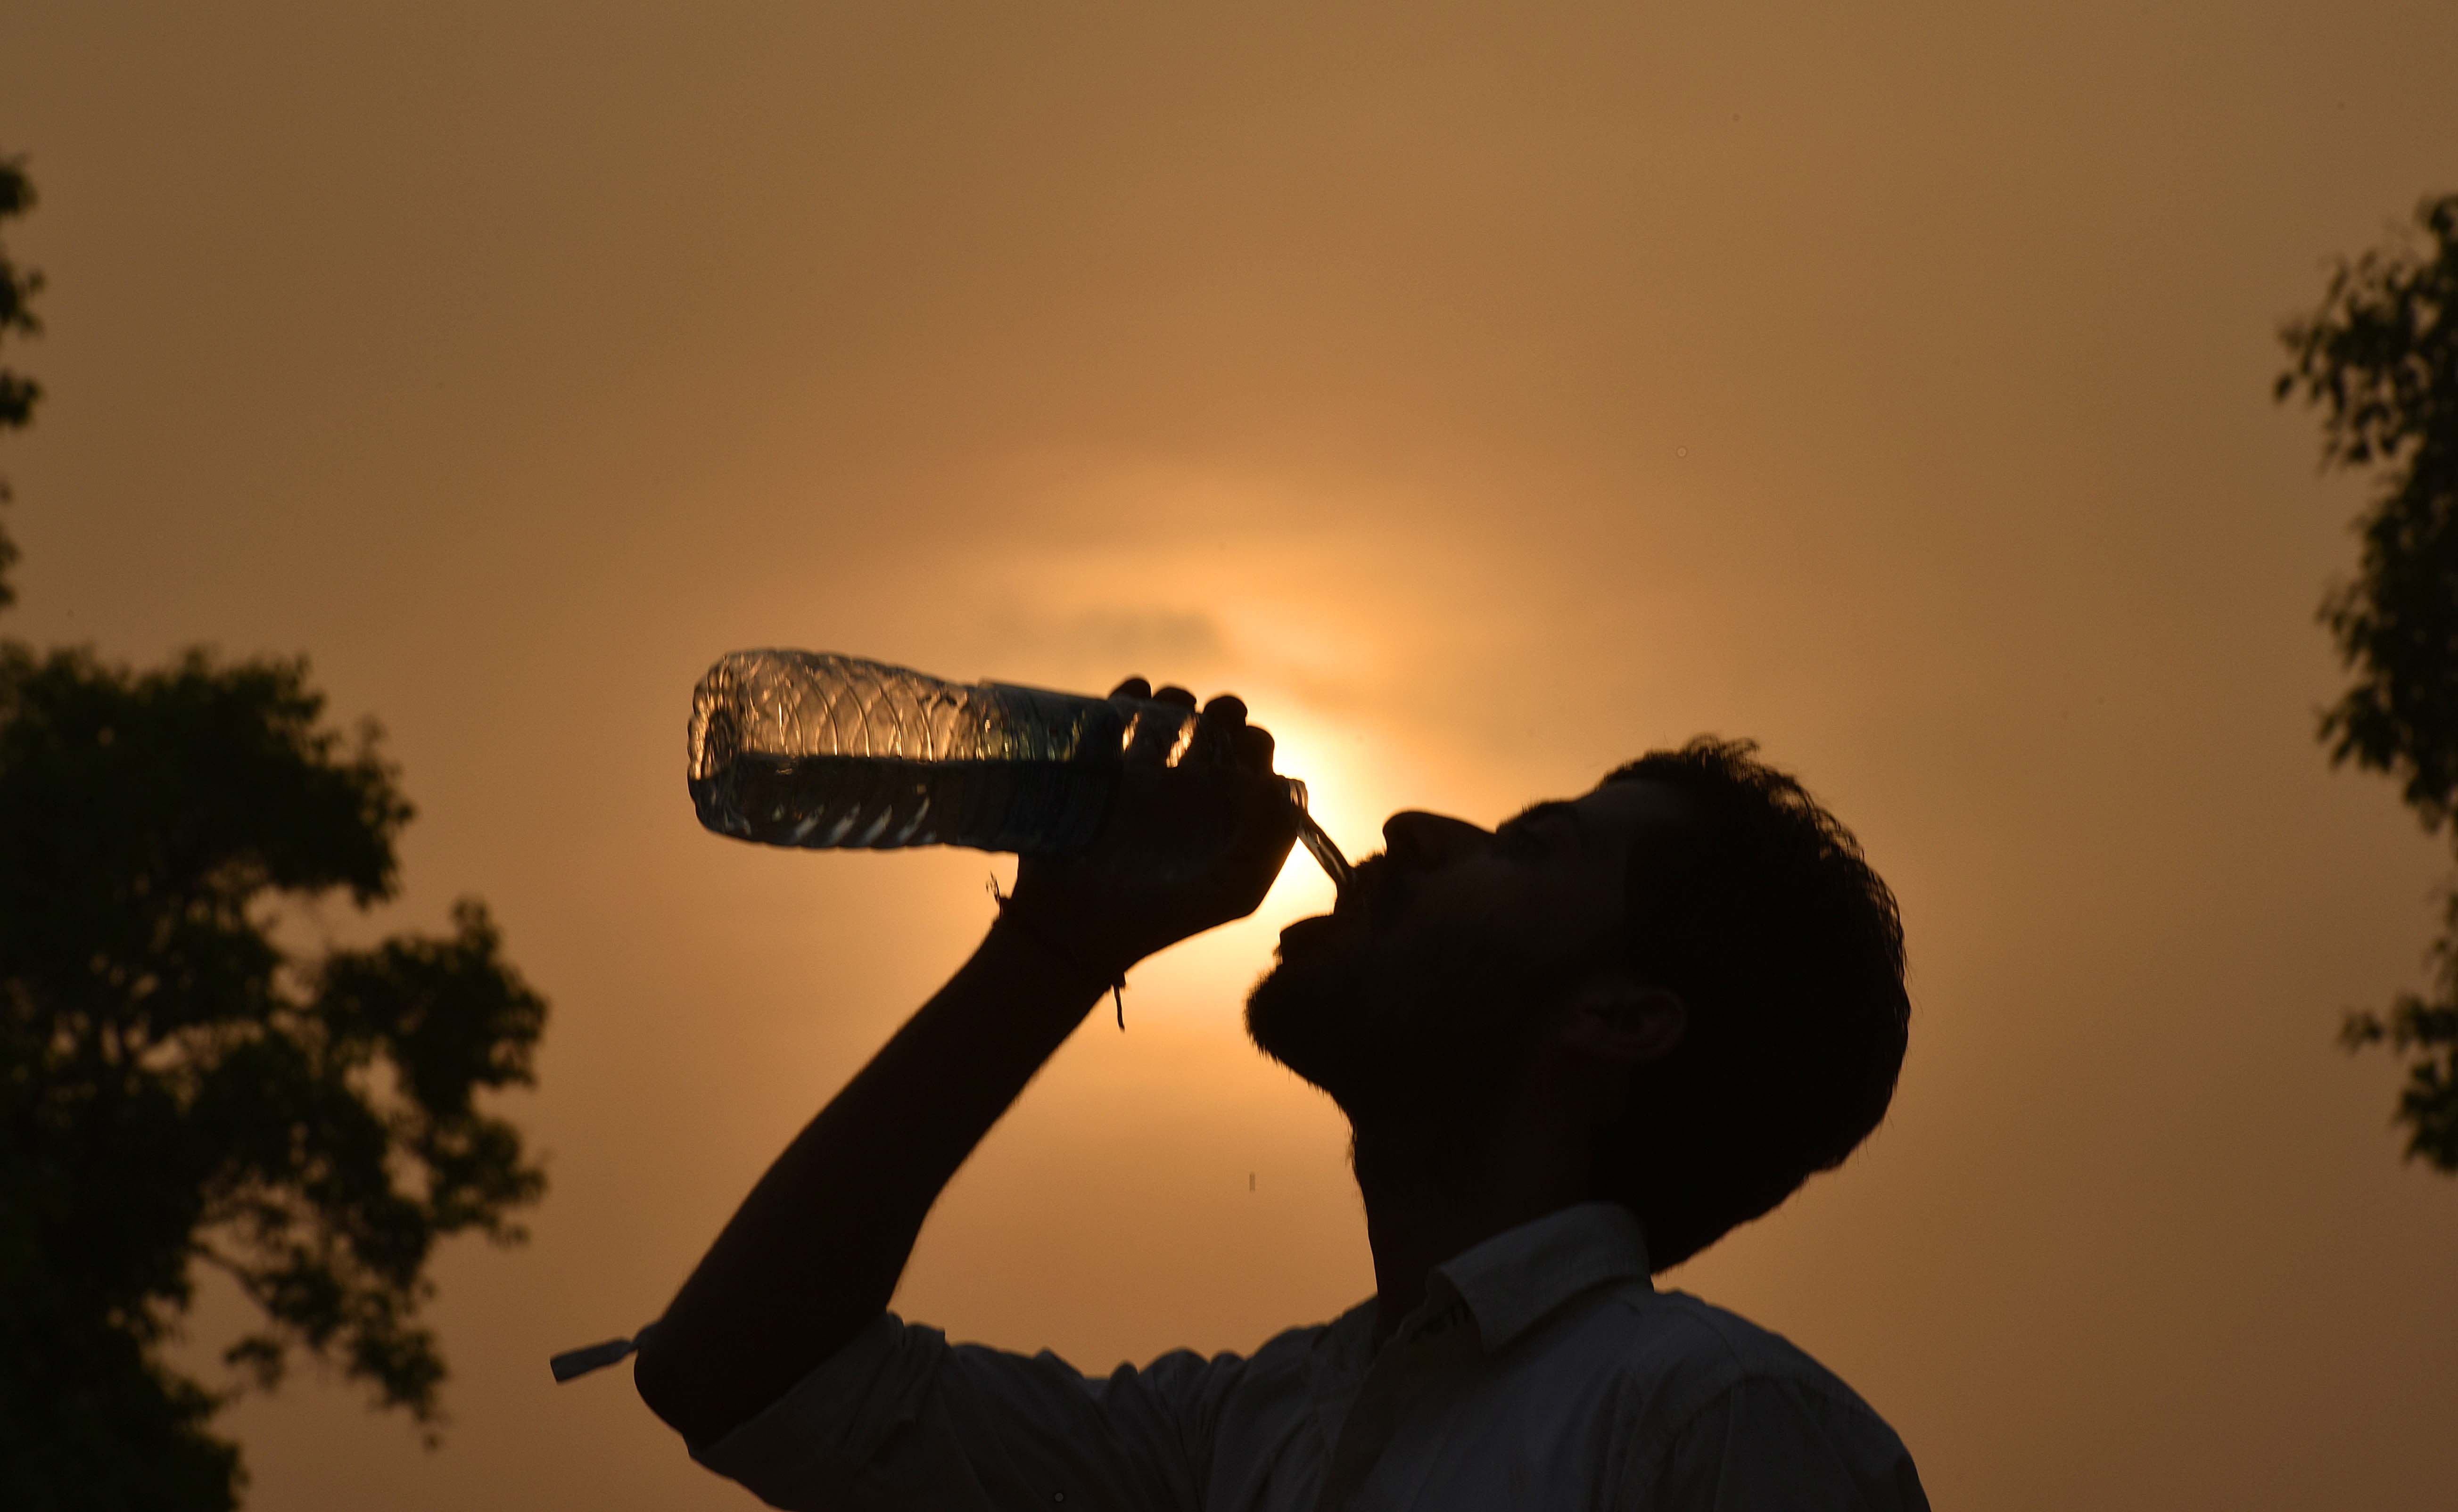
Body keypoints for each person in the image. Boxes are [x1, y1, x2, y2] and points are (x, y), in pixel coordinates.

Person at [633, 679, 1928, 1510]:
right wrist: (1059, 950)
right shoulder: (1238, 1441)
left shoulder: (1717, 1429)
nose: (1417, 827)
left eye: (1530, 846)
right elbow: (740, 1371)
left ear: (1625, 1021)